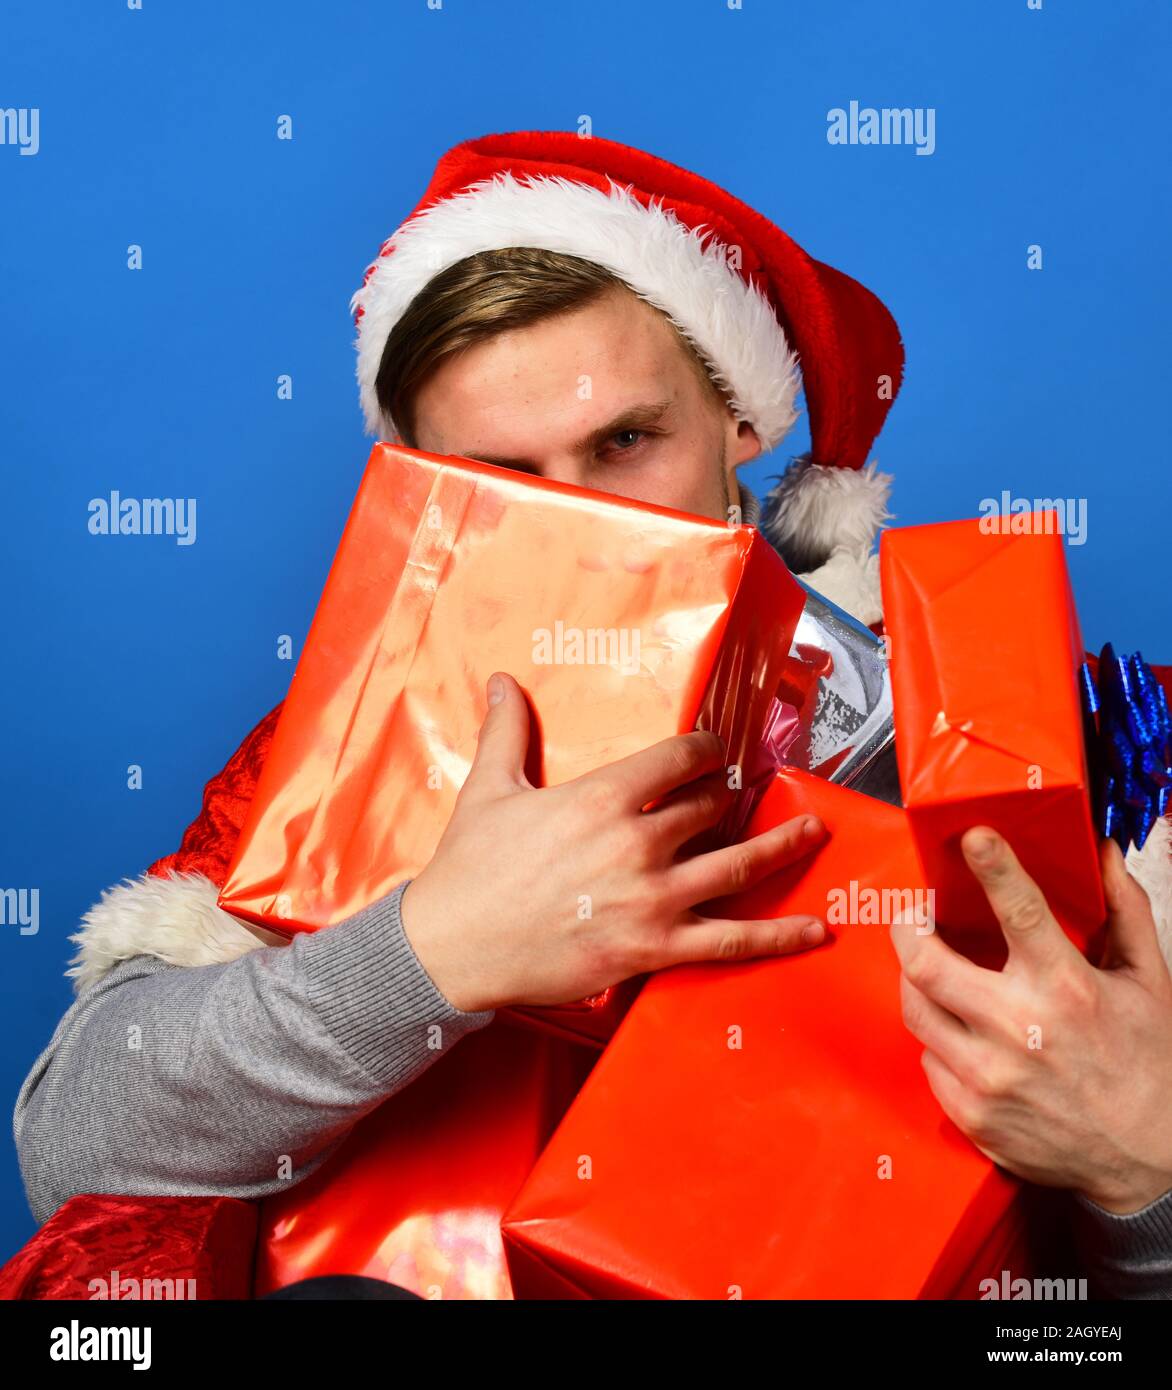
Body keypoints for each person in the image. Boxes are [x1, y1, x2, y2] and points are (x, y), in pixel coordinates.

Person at [13, 131, 1172, 1299]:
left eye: (624, 442)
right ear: (421, 484)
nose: (583, 526)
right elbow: (74, 1144)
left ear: (738, 427)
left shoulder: (1044, 737)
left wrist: (1141, 1166)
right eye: (503, 476)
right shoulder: (343, 746)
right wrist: (432, 954)